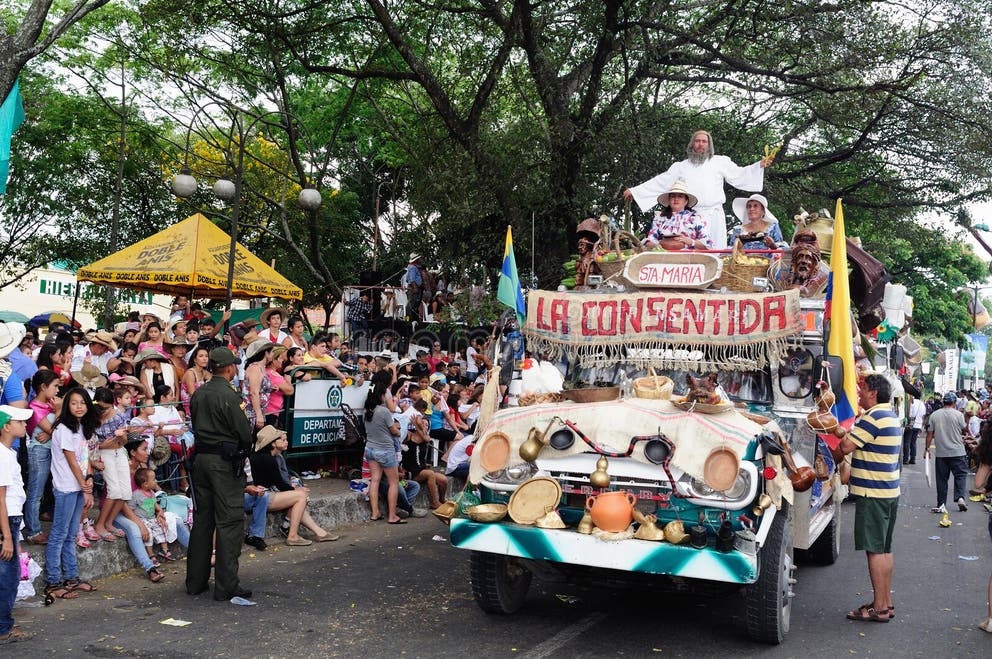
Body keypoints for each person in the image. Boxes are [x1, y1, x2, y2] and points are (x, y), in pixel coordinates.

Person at [624, 129, 773, 248]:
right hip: (691, 219)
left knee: (715, 251)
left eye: (704, 141)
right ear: (692, 144)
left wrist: (759, 165)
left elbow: (740, 174)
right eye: (697, 141)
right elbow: (661, 182)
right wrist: (635, 191)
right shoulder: (681, 167)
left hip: (714, 216)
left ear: (709, 145)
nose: (700, 144)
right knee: (693, 253)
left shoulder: (720, 162)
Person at [185, 347, 254, 602]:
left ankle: (195, 581)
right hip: (223, 463)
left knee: (203, 521)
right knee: (229, 522)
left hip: (201, 459)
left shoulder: (200, 393)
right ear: (228, 368)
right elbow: (244, 432)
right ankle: (226, 585)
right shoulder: (229, 394)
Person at [835, 373, 899, 623]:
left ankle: (880, 608)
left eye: (862, 388)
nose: (859, 393)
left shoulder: (874, 417)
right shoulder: (889, 415)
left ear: (874, 392)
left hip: (872, 494)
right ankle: (885, 603)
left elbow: (844, 447)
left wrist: (833, 456)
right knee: (884, 550)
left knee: (874, 551)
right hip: (887, 492)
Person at [45, 387, 100, 603]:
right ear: (67, 405)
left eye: (82, 403)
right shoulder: (63, 429)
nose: (79, 407)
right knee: (59, 534)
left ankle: (71, 578)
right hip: (66, 487)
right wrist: (85, 486)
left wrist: (88, 480)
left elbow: (84, 458)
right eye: (74, 403)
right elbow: (70, 460)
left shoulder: (80, 428)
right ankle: (53, 582)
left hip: (77, 486)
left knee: (70, 534)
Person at [248, 426, 339, 543]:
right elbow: (280, 484)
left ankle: (319, 532)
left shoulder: (268, 457)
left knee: (298, 498)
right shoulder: (267, 459)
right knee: (301, 496)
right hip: (261, 497)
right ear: (273, 443)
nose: (285, 441)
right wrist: (295, 490)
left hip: (263, 494)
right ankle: (292, 536)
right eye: (281, 439)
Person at [0, 404, 33, 643]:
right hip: (6, 520)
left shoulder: (8, 452)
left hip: (11, 519)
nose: (24, 425)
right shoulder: (2, 455)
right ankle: (3, 628)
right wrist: (8, 536)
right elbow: (0, 497)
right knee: (7, 577)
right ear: (6, 426)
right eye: (20, 422)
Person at [364, 381, 405, 524]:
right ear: (382, 395)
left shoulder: (367, 411)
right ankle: (392, 515)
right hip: (385, 450)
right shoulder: (384, 411)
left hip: (370, 449)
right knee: (393, 482)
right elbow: (394, 431)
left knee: (374, 480)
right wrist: (399, 431)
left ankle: (375, 513)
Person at [925, 391, 969, 514]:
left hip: (941, 453)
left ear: (943, 402)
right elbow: (964, 428)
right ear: (954, 403)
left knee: (942, 479)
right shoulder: (958, 415)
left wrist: (927, 449)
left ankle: (942, 503)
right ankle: (960, 497)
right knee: (960, 475)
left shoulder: (934, 415)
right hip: (958, 451)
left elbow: (929, 434)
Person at [641, 180, 712, 250]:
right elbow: (650, 240)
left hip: (690, 258)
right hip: (664, 257)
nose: (676, 199)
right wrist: (657, 246)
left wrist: (691, 241)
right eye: (673, 196)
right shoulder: (660, 218)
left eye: (680, 196)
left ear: (686, 201)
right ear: (669, 200)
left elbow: (708, 245)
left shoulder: (696, 218)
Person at [903, 393, 926, 465]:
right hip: (918, 425)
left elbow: (909, 413)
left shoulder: (911, 402)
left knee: (907, 442)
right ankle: (913, 458)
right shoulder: (922, 404)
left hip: (911, 425)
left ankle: (906, 459)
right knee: (913, 442)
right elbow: (923, 415)